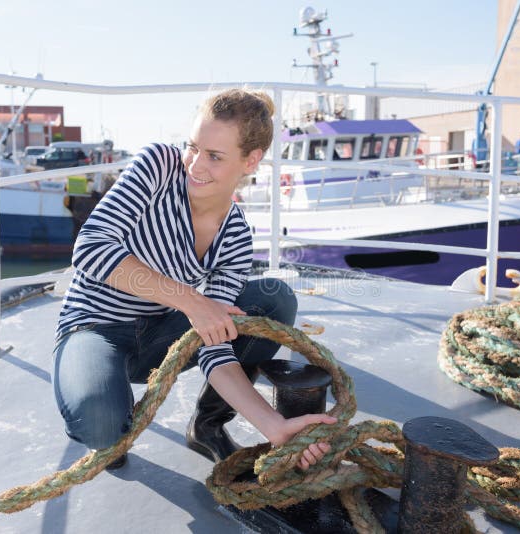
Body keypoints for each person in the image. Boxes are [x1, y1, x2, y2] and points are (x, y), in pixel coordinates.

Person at [53, 88, 336, 472]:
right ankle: (95, 410)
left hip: (161, 337)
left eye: (215, 156)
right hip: (95, 327)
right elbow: (91, 248)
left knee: (275, 300)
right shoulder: (158, 164)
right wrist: (192, 301)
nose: (195, 165)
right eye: (193, 147)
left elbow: (215, 346)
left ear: (250, 161)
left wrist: (275, 427)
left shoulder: (234, 237)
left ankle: (208, 425)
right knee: (103, 430)